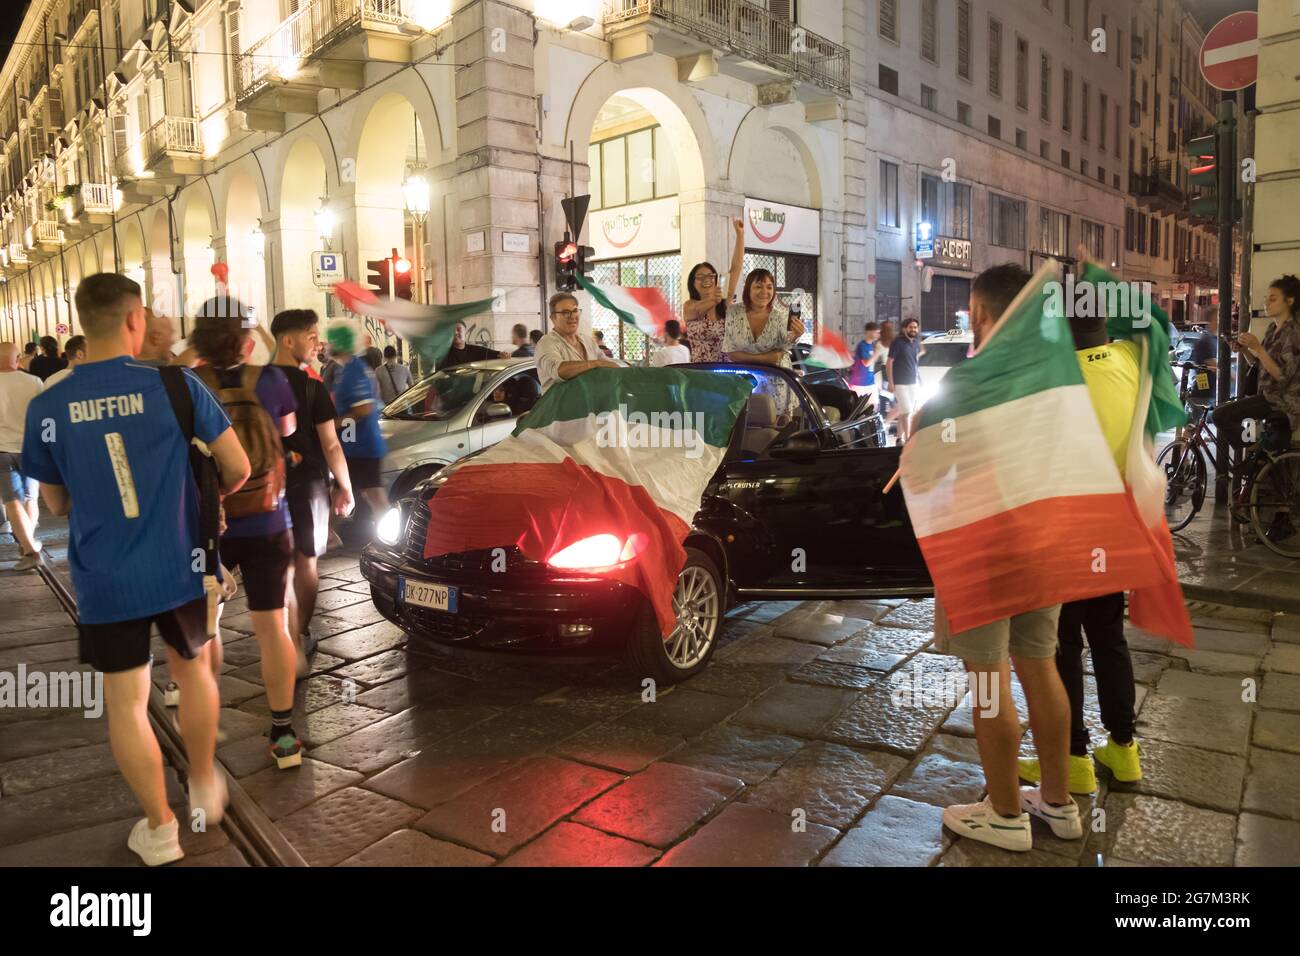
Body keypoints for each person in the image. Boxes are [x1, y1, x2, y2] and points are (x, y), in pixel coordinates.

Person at [21, 274, 251, 864]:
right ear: (135, 320)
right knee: (194, 670)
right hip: (182, 564)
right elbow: (238, 467)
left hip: (105, 575)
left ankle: (160, 828)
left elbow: (54, 505)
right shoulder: (177, 386)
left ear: (80, 325)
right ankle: (203, 780)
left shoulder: (47, 404)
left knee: (125, 702)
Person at [935, 264, 1080, 853]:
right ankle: (1057, 802)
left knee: (989, 682)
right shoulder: (1059, 381)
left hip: (982, 548)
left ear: (981, 315)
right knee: (1041, 666)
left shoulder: (971, 379)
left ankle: (1001, 813)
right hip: (1046, 543)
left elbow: (933, 462)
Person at [1018, 276, 1145, 797]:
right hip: (1116, 524)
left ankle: (1072, 758)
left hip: (1067, 528)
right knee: (1109, 638)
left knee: (1063, 644)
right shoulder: (1128, 362)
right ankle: (1124, 750)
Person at [190, 296, 303, 771]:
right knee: (272, 626)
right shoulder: (272, 380)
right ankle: (282, 735)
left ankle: (205, 715)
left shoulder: (189, 384)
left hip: (207, 523)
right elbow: (288, 431)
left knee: (206, 624)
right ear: (246, 337)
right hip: (269, 519)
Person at [268, 310, 355, 675]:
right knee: (306, 563)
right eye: (310, 336)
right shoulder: (311, 387)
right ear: (289, 341)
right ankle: (299, 634)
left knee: (277, 565)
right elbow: (332, 445)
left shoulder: (254, 382)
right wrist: (345, 488)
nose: (317, 343)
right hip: (307, 486)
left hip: (267, 487)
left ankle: (278, 637)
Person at [1214, 275, 1300, 459]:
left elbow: (1282, 376)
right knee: (1258, 466)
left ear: (1290, 301)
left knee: (1220, 415)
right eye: (1265, 298)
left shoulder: (1293, 333)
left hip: (1280, 402)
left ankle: (1255, 446)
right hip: (1265, 396)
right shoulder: (1272, 328)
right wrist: (1245, 350)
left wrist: (1258, 348)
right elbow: (1259, 365)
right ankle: (1257, 452)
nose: (1267, 303)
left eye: (1273, 298)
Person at [327, 319, 389, 521]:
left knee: (372, 494)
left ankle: (397, 539)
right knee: (342, 491)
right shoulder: (349, 369)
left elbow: (363, 409)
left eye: (330, 341)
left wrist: (332, 425)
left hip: (361, 446)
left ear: (340, 342)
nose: (327, 346)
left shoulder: (354, 370)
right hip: (354, 444)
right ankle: (326, 535)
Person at [721, 219, 804, 367]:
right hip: (746, 381)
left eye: (769, 287)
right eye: (758, 286)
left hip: (778, 382)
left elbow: (785, 347)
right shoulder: (734, 312)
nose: (764, 292)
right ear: (748, 289)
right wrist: (767, 358)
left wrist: (796, 335)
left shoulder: (781, 316)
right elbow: (731, 353)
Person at [0, 341, 44, 570]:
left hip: (2, 451)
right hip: (30, 448)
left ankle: (29, 550)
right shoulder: (33, 381)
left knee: (12, 500)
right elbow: (45, 415)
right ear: (17, 359)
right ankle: (28, 540)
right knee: (30, 497)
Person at [536, 292, 618, 393]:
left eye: (575, 311)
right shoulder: (546, 343)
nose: (572, 316)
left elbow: (606, 363)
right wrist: (596, 364)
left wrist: (628, 368)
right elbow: (558, 371)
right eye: (565, 312)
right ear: (553, 317)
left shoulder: (588, 341)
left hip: (590, 407)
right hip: (560, 407)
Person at [887, 317, 924, 442]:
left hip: (913, 382)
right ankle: (908, 439)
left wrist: (919, 380)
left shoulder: (915, 344)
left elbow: (914, 362)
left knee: (905, 411)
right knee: (907, 411)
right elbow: (889, 362)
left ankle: (898, 437)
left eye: (915, 327)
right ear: (904, 329)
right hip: (900, 383)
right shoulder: (897, 343)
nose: (913, 329)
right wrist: (891, 382)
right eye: (911, 327)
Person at [683, 261, 727, 363]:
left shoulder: (723, 306)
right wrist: (714, 299)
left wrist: (739, 243)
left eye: (711, 276)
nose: (706, 279)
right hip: (701, 371)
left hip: (725, 371)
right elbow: (698, 310)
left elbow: (735, 268)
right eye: (700, 277)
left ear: (716, 280)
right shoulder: (689, 306)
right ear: (693, 283)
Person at [438, 322, 508, 370]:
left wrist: (502, 354)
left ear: (466, 332)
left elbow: (493, 354)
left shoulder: (475, 351)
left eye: (459, 329)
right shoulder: (443, 354)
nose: (455, 333)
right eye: (452, 330)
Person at [850, 322, 880, 396]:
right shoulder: (862, 345)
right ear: (868, 332)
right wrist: (877, 353)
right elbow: (866, 363)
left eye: (878, 332)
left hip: (870, 382)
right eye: (876, 332)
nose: (878, 335)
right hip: (860, 383)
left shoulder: (872, 346)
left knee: (874, 406)